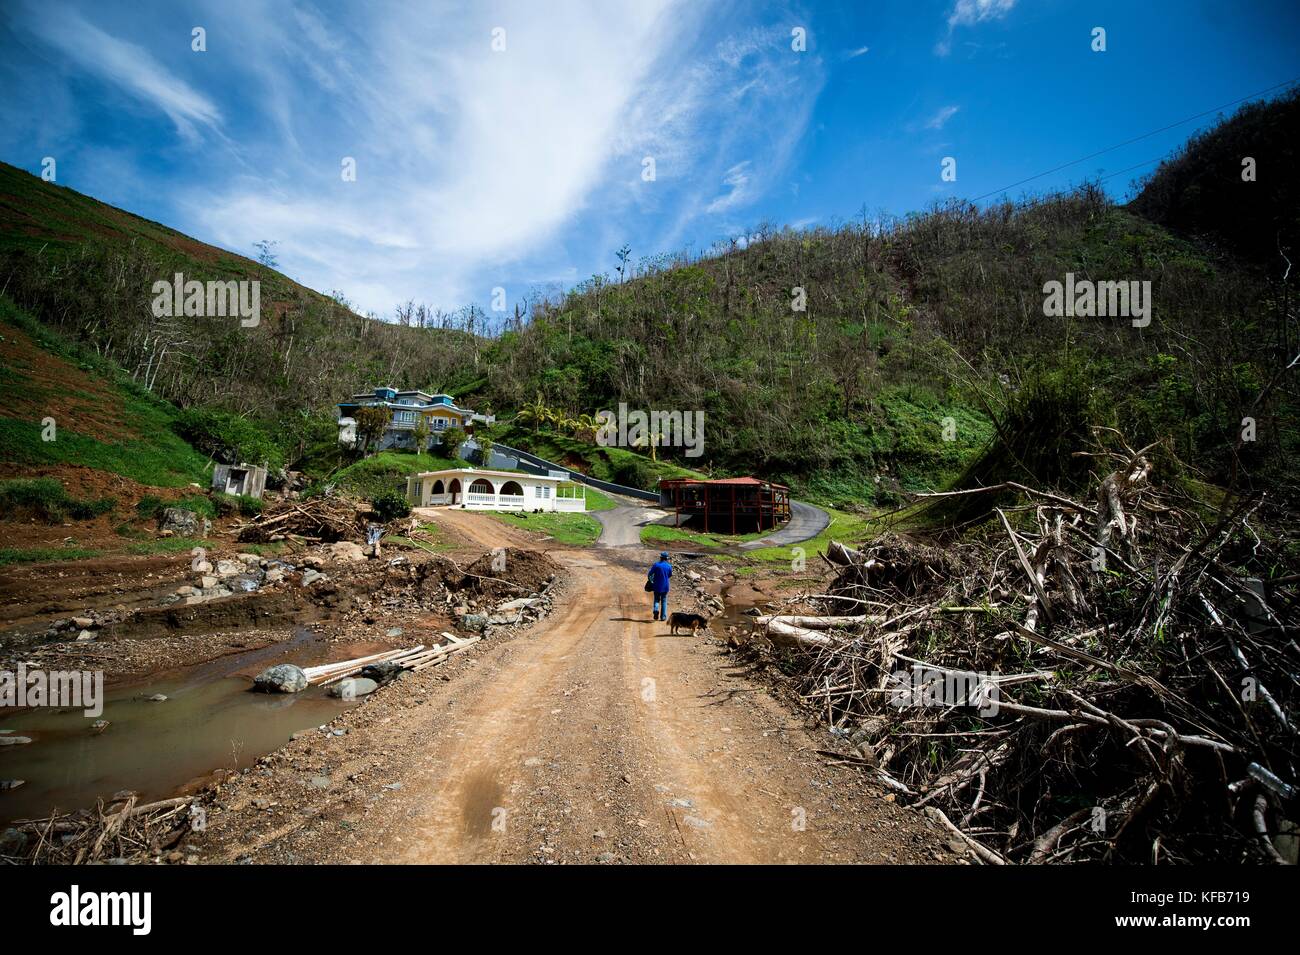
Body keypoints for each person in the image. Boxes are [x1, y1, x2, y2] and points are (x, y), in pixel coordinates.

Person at [647, 551, 672, 621]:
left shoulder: (656, 565)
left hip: (657, 586)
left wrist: (651, 581)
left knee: (656, 599)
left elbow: (650, 574)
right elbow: (670, 575)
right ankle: (663, 617)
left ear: (660, 557)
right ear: (666, 558)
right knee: (664, 601)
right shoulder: (669, 566)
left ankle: (656, 609)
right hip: (665, 586)